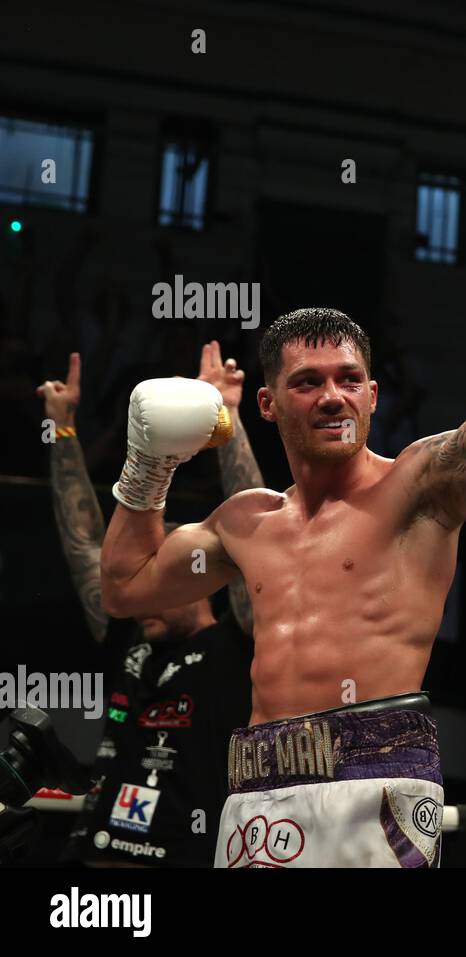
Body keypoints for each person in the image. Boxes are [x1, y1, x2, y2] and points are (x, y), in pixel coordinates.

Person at [97, 127, 466, 868]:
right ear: (266, 402)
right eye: (308, 382)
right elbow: (124, 587)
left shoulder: (424, 484)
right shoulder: (244, 522)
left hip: (374, 787)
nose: (332, 396)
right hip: (253, 797)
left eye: (349, 378)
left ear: (374, 393)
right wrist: (148, 465)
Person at [36, 343, 259, 867]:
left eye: (161, 579)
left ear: (201, 581)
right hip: (90, 861)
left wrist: (227, 420)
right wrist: (63, 431)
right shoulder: (129, 628)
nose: (144, 597)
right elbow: (85, 545)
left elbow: (260, 541)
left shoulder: (239, 641)